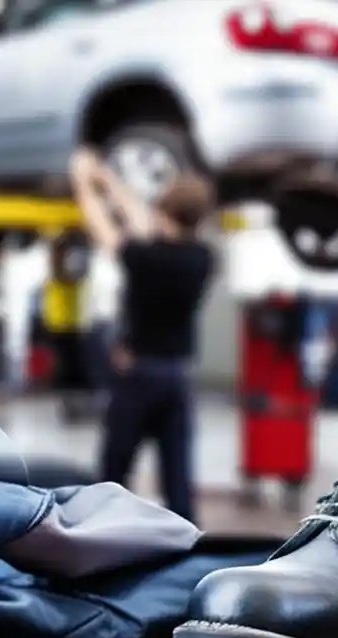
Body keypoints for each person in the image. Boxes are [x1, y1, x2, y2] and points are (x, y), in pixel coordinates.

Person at [69, 148, 216, 522]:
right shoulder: (202, 258)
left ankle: (99, 534)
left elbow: (103, 227)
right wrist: (107, 178)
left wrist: (84, 182)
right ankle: (186, 542)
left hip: (138, 375)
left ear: (163, 211)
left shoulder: (145, 257)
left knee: (113, 471)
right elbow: (142, 221)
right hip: (177, 377)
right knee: (178, 477)